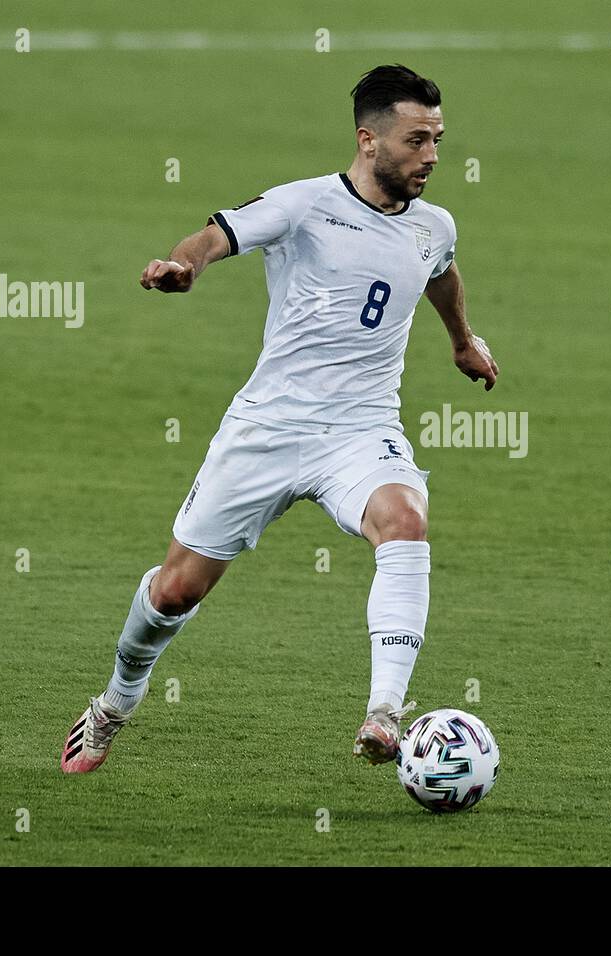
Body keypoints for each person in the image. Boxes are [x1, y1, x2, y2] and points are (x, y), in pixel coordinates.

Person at [61, 63, 498, 774]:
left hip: (360, 430)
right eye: (417, 140)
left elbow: (441, 271)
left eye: (438, 140)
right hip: (267, 430)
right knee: (176, 590)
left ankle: (384, 714)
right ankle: (114, 703)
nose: (432, 157)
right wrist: (183, 268)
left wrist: (461, 341)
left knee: (405, 519)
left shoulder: (432, 226)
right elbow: (214, 235)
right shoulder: (304, 205)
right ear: (369, 140)